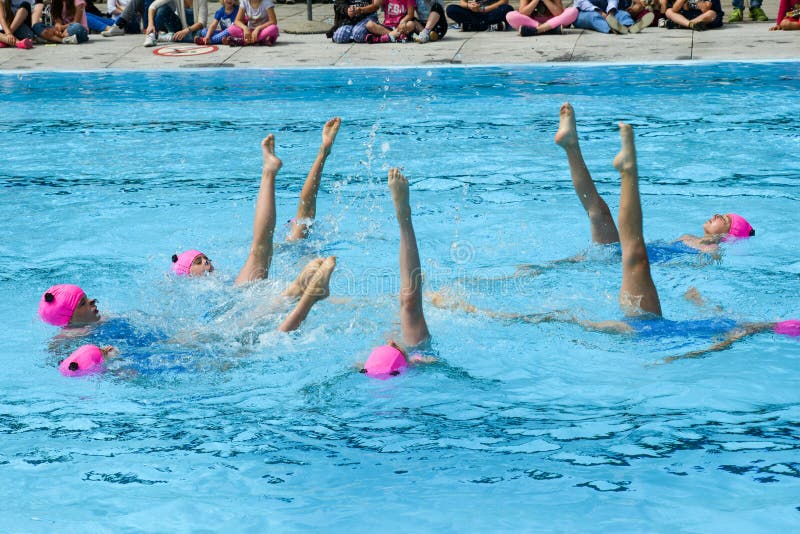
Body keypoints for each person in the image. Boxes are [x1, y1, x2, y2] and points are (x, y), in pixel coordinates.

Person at [554, 103, 753, 258]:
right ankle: (571, 145)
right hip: (627, 254)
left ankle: (572, 146)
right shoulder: (687, 238)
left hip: (632, 263)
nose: (717, 214)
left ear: (729, 235)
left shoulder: (712, 252)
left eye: (725, 220)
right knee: (598, 210)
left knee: (599, 211)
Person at [359, 168, 436, 379]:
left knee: (409, 303)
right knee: (410, 302)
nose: (391, 343)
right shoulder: (422, 361)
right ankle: (404, 217)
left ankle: (403, 216)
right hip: (413, 357)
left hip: (384, 366)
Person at [572, 0, 655, 34]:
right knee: (593, 18)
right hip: (585, 12)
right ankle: (613, 29)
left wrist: (611, 13)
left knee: (622, 14)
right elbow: (583, 3)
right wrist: (602, 13)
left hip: (606, 9)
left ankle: (630, 26)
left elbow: (612, 1)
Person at [505, 0, 579, 36]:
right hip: (532, 22)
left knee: (573, 11)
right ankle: (550, 30)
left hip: (553, 21)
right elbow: (523, 12)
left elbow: (558, 13)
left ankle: (536, 30)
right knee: (510, 15)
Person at [445, 0, 514, 32]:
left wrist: (483, 9)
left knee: (507, 8)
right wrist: (469, 6)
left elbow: (504, 1)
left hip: (491, 12)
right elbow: (463, 3)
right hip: (474, 13)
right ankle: (489, 26)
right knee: (451, 9)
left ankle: (471, 26)